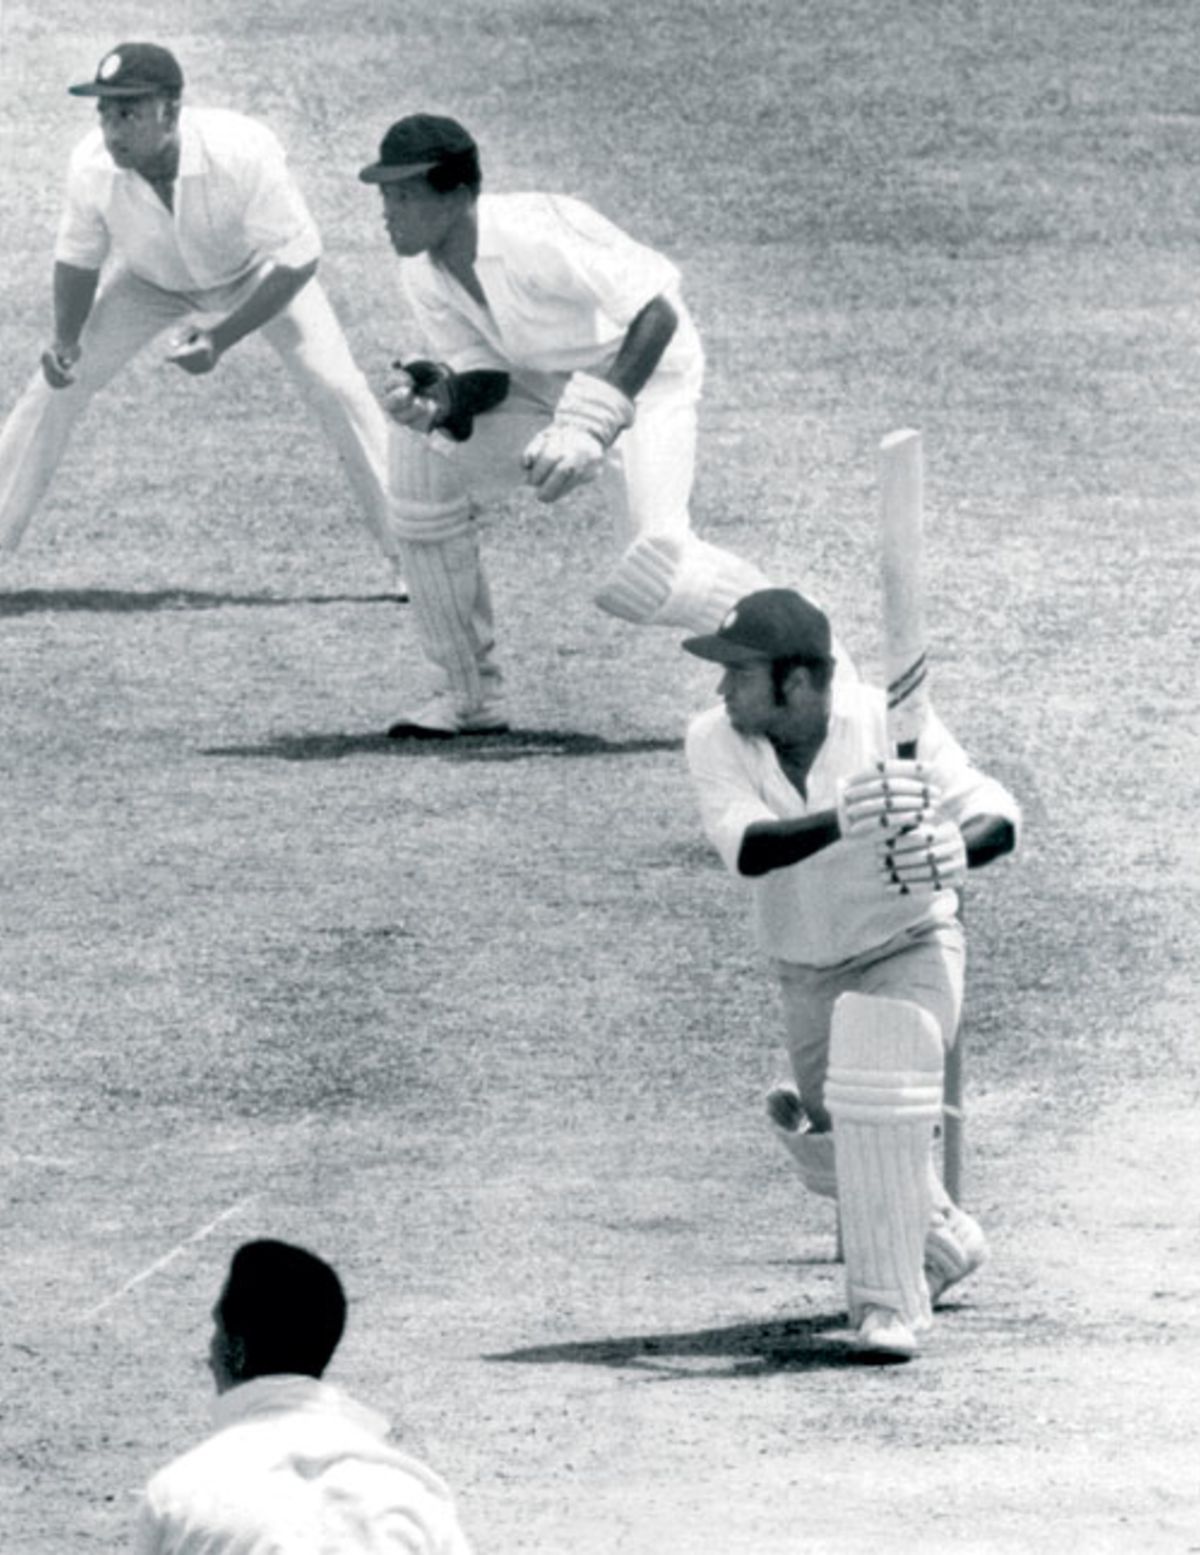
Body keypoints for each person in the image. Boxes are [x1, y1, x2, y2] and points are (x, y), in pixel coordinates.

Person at [682, 588, 1020, 1360]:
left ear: (797, 682)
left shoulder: (887, 722)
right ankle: (939, 1239)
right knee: (840, 1134)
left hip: (911, 943)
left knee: (878, 1091)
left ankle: (885, 1307)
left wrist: (956, 850)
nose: (722, 688)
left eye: (739, 671)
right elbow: (748, 848)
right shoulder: (714, 739)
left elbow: (997, 809)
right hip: (806, 967)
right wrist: (847, 814)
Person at [359, 113, 770, 737]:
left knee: (655, 570)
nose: (389, 211)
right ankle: (469, 695)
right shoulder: (422, 268)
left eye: (406, 195)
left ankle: (807, 654)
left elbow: (655, 313)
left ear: (460, 194)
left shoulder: (536, 233)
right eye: (385, 195)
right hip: (540, 383)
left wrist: (594, 420)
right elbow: (486, 374)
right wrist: (438, 401)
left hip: (643, 379)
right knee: (423, 452)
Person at [0, 42, 406, 593]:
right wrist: (65, 342)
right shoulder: (91, 163)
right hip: (150, 284)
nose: (112, 129)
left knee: (336, 386)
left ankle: (413, 556)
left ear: (170, 110)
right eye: (104, 112)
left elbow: (298, 257)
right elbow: (78, 258)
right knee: (53, 389)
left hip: (258, 275)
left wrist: (221, 336)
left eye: (128, 112)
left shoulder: (241, 150)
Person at [134, 1238, 473, 1554]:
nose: (208, 1353)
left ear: (236, 1352)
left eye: (216, 1330)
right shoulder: (415, 1496)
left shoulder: (179, 1495)